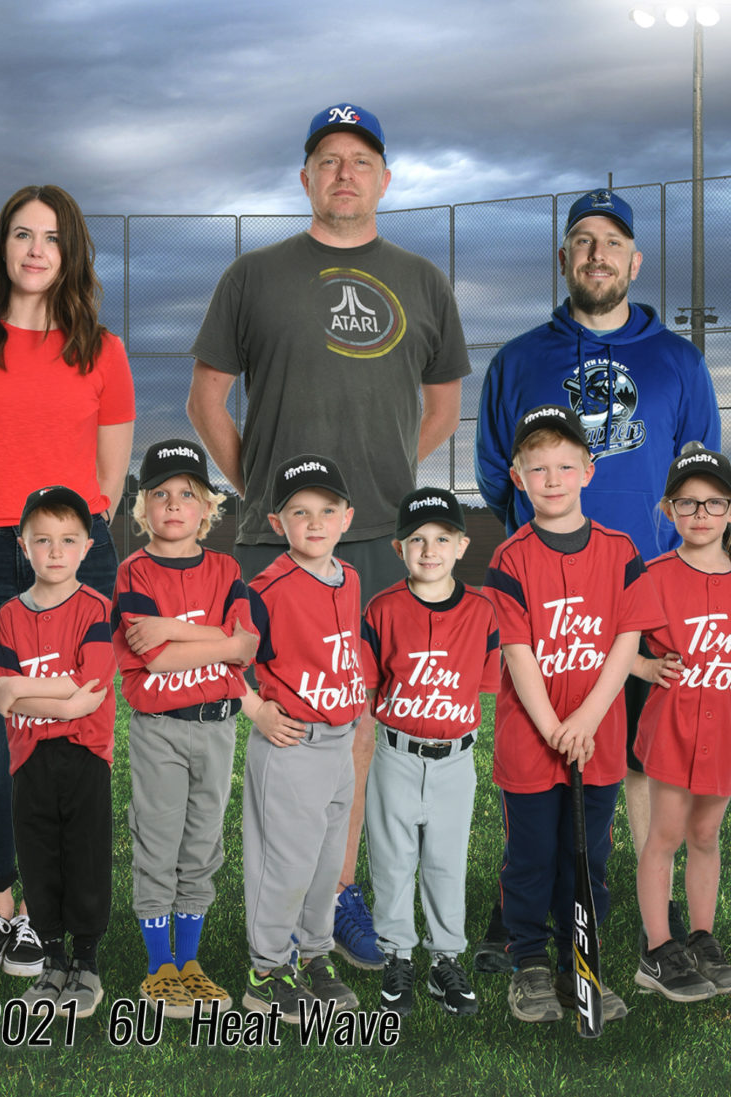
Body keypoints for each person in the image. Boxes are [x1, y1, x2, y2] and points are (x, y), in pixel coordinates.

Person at [188, 103, 471, 971]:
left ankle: (337, 892)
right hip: (278, 543)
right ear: (305, 177)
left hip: (381, 533)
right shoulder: (254, 276)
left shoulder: (422, 280)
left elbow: (443, 408)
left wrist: (372, 484)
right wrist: (270, 499)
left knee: (353, 720)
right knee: (267, 714)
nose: (343, 172)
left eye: (360, 159)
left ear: (383, 178)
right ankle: (267, 895)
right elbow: (208, 400)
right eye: (327, 159)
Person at [473, 190, 722, 966]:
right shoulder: (519, 359)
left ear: (634, 260)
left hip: (649, 590)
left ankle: (652, 916)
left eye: (612, 241)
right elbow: (494, 475)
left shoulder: (678, 360)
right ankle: (522, 909)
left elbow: (696, 473)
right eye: (582, 240)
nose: (596, 253)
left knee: (646, 755)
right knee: (538, 750)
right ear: (564, 259)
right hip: (549, 600)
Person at [0, 185, 134, 980]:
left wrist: (72, 545)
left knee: (66, 741)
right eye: (21, 234)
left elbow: (107, 479)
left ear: (70, 250)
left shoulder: (101, 352)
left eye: (51, 236)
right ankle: (0, 906)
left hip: (72, 558)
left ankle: (63, 913)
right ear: (1, 247)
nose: (36, 249)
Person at [482, 406, 664, 1024]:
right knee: (530, 855)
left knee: (588, 855)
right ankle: (529, 963)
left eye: (565, 466)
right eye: (538, 469)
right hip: (530, 742)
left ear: (588, 470)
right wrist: (554, 726)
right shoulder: (509, 558)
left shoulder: (620, 551)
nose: (553, 479)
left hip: (599, 738)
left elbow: (626, 643)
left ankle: (577, 962)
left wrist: (585, 719)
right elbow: (518, 652)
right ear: (518, 476)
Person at [633, 446, 731, 1002]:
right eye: (687, 503)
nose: (700, 514)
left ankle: (701, 938)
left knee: (705, 835)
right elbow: (613, 645)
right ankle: (657, 950)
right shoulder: (653, 577)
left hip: (724, 732)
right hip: (673, 728)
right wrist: (646, 665)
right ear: (668, 510)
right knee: (667, 835)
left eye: (713, 503)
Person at [112, 440, 258, 1018]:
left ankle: (190, 963)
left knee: (201, 846)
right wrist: (216, 641)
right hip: (160, 729)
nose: (173, 505)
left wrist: (174, 627)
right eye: (160, 495)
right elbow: (154, 659)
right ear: (143, 508)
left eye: (187, 495)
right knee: (158, 842)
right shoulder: (133, 570)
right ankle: (158, 967)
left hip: (218, 727)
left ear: (207, 508)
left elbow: (245, 647)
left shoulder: (226, 569)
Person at [361, 488, 499, 1017]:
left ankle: (445, 961)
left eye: (442, 538)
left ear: (462, 545)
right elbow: (370, 688)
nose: (429, 550)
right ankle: (398, 957)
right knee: (393, 861)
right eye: (416, 540)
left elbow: (486, 684)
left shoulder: (482, 612)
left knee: (445, 863)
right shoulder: (383, 609)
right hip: (395, 753)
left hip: (455, 759)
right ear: (400, 550)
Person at [239, 455, 366, 1019]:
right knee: (283, 866)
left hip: (339, 743)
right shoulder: (266, 587)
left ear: (346, 518)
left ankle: (313, 955)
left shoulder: (351, 576)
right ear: (277, 523)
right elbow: (224, 660)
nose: (315, 522)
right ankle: (265, 970)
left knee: (324, 864)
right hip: (291, 746)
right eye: (300, 512)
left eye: (327, 510)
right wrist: (254, 709)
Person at [0, 486, 118, 1020]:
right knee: (39, 857)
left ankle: (86, 962)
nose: (56, 551)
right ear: (24, 546)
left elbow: (91, 688)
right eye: (43, 540)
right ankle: (52, 960)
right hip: (29, 758)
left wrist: (30, 691)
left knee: (84, 856)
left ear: (87, 546)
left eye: (68, 540)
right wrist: (58, 697)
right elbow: (1, 691)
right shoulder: (7, 617)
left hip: (85, 755)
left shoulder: (96, 608)